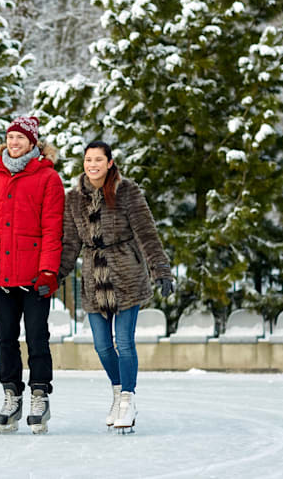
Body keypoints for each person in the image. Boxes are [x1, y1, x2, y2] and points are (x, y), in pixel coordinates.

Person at [57, 140, 173, 434]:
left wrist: (160, 269)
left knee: (124, 342)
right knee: (102, 345)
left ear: (110, 163)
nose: (92, 164)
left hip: (126, 273)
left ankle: (128, 399)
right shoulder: (74, 198)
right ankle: (118, 389)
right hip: (94, 279)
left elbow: (146, 232)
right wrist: (55, 275)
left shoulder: (127, 192)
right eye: (88, 160)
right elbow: (70, 243)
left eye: (98, 159)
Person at [0, 116, 64, 435]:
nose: (15, 142)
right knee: (4, 338)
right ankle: (11, 395)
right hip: (2, 273)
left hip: (34, 275)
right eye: (11, 137)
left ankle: (39, 394)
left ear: (33, 143)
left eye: (21, 138)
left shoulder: (48, 178)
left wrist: (48, 269)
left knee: (35, 336)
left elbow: (52, 228)